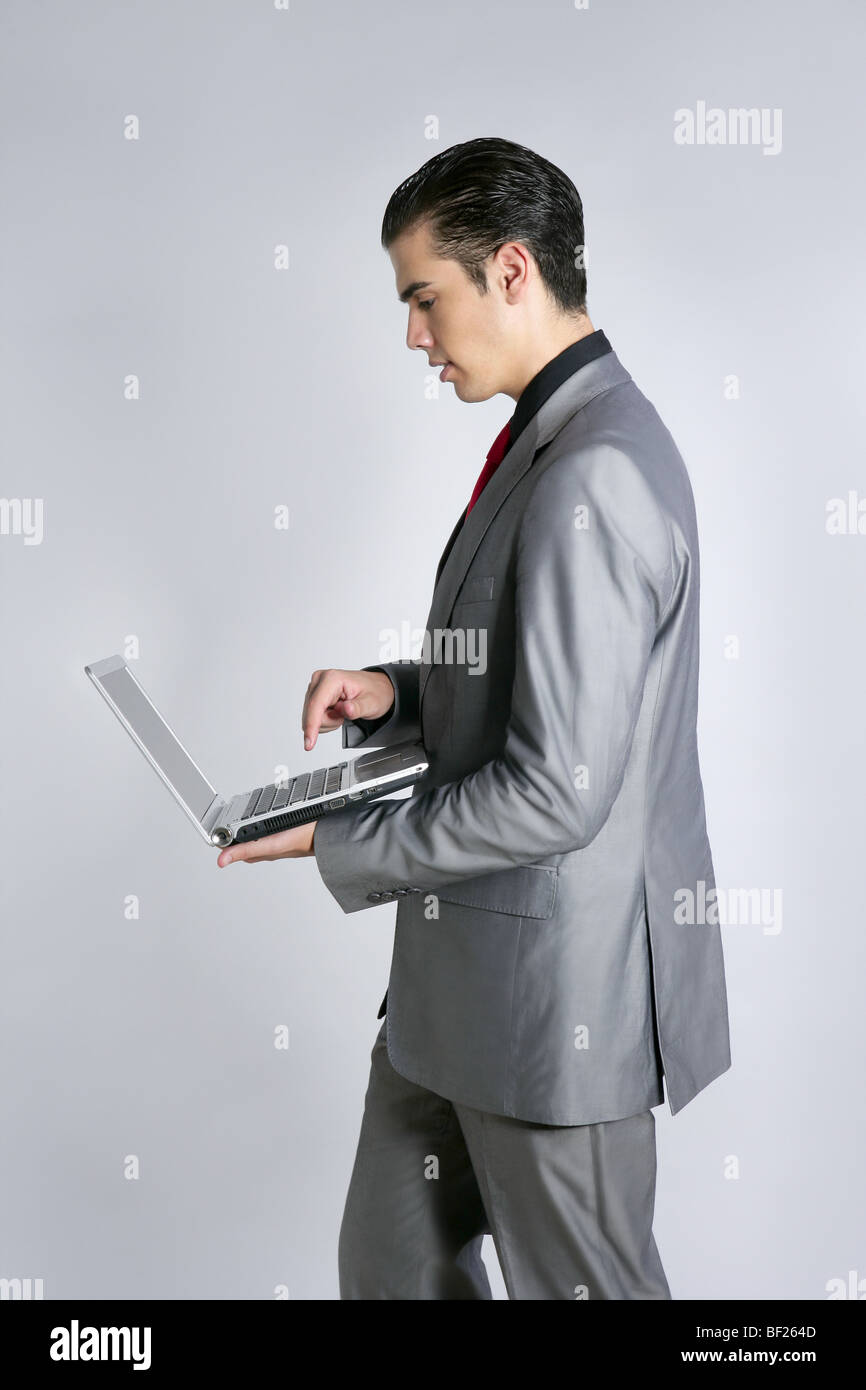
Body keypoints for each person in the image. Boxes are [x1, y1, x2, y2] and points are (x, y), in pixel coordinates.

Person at [217, 137, 731, 1300]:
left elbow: (558, 788)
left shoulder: (594, 468)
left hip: (555, 1015)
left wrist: (333, 839)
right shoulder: (547, 440)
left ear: (508, 271)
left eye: (421, 298)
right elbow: (527, 673)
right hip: (452, 996)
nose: (412, 336)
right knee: (390, 1272)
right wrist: (396, 692)